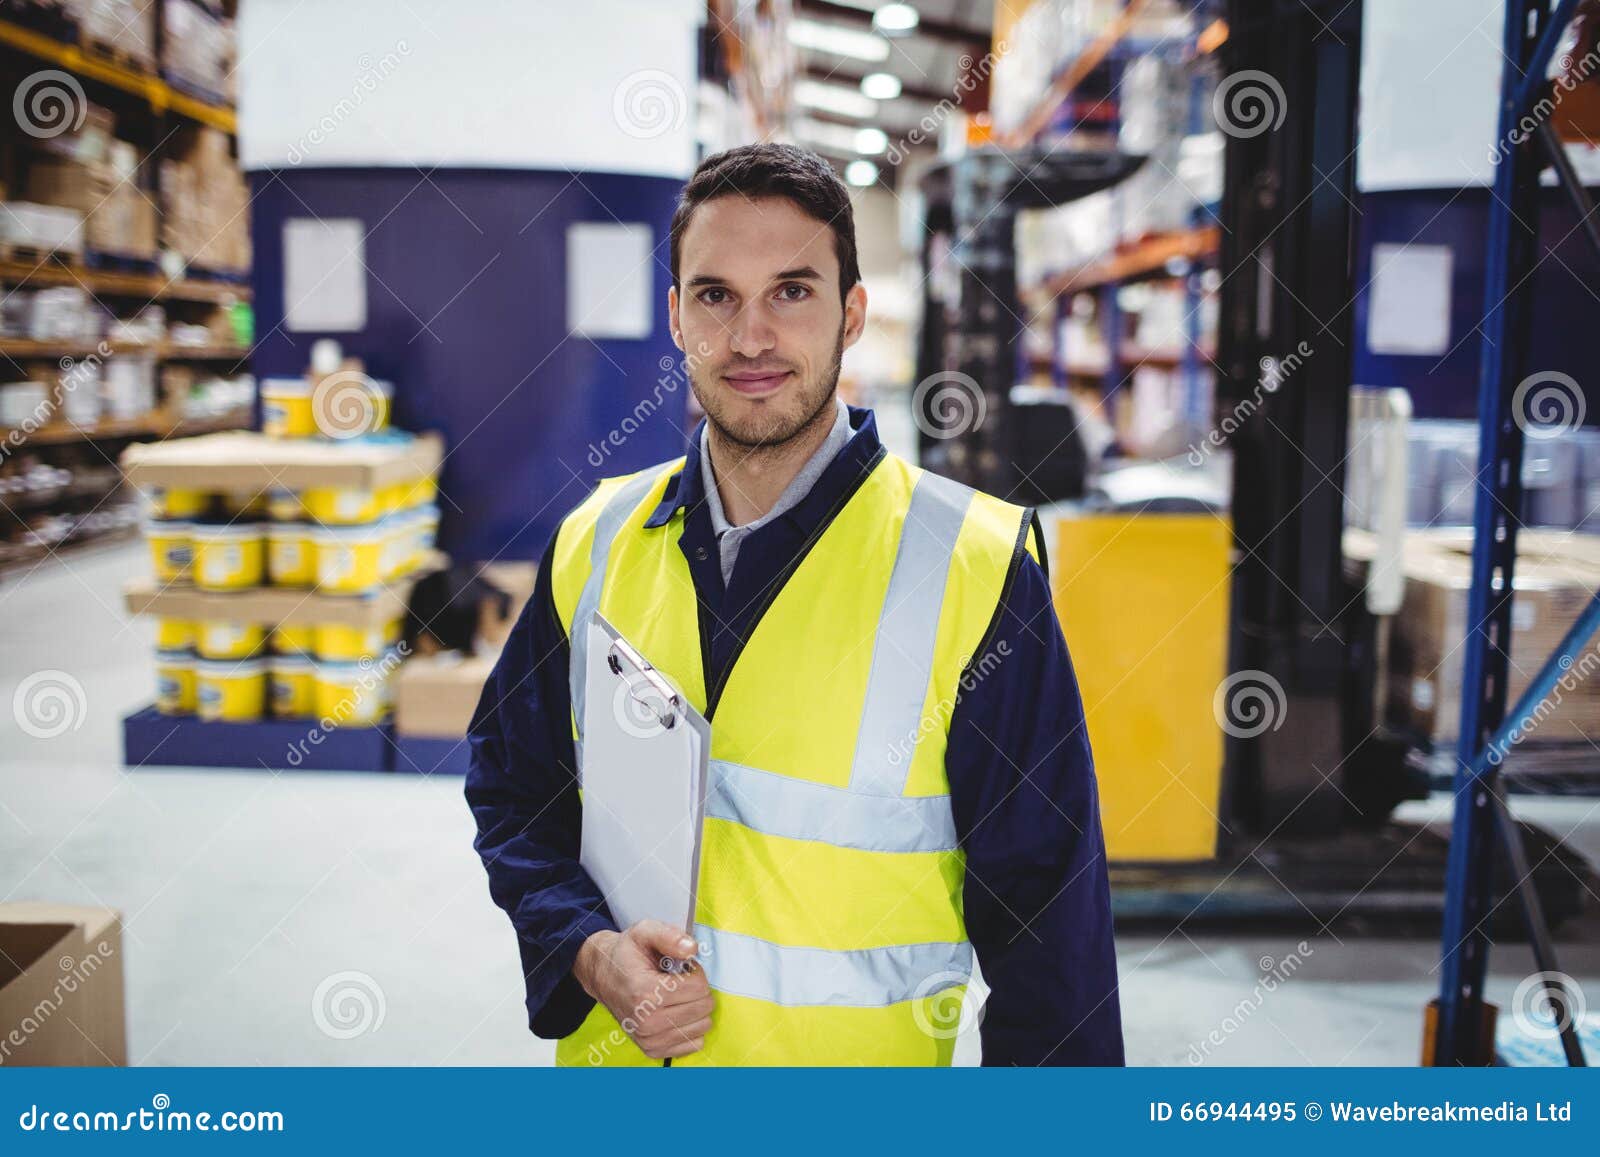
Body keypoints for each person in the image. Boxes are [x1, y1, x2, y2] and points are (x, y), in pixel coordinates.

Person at [465, 143, 1122, 1067]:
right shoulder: (596, 541)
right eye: (716, 295)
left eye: (792, 290)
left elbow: (1053, 935)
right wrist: (588, 949)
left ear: (852, 313)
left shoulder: (972, 570)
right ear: (677, 317)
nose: (751, 337)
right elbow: (514, 791)